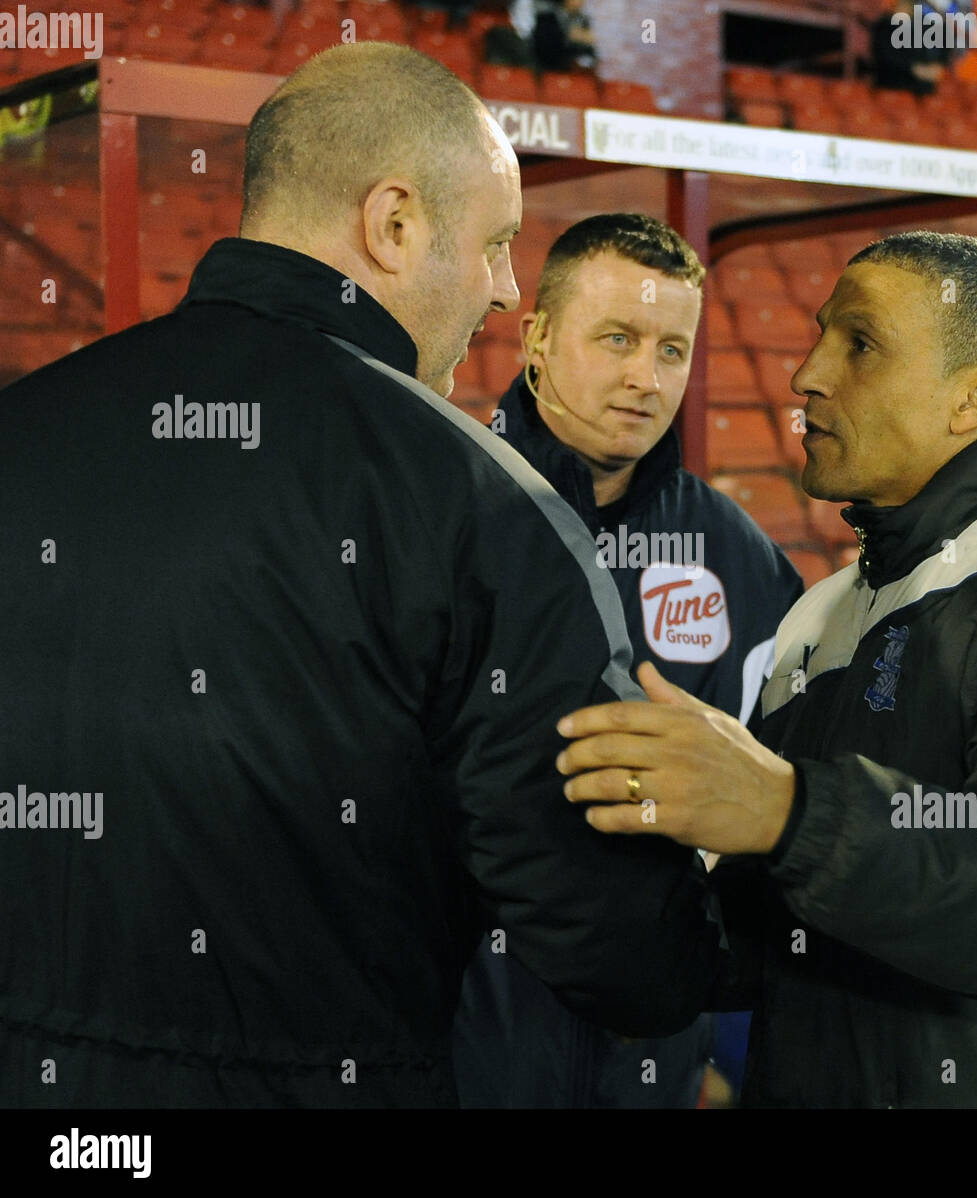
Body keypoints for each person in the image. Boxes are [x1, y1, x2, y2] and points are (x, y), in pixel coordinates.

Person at [0, 43, 723, 1108]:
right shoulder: (481, 504)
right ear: (393, 225)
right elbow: (608, 940)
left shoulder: (24, 429)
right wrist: (752, 870)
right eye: (494, 244)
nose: (504, 288)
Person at [557, 231, 977, 1107]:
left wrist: (786, 807)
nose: (805, 373)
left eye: (859, 344)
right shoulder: (824, 609)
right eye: (818, 335)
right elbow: (784, 918)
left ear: (973, 399)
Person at [453, 213, 804, 1108]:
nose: (647, 378)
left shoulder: (737, 554)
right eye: (617, 339)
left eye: (672, 349)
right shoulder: (442, 512)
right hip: (454, 1034)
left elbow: (785, 791)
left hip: (649, 1051)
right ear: (536, 337)